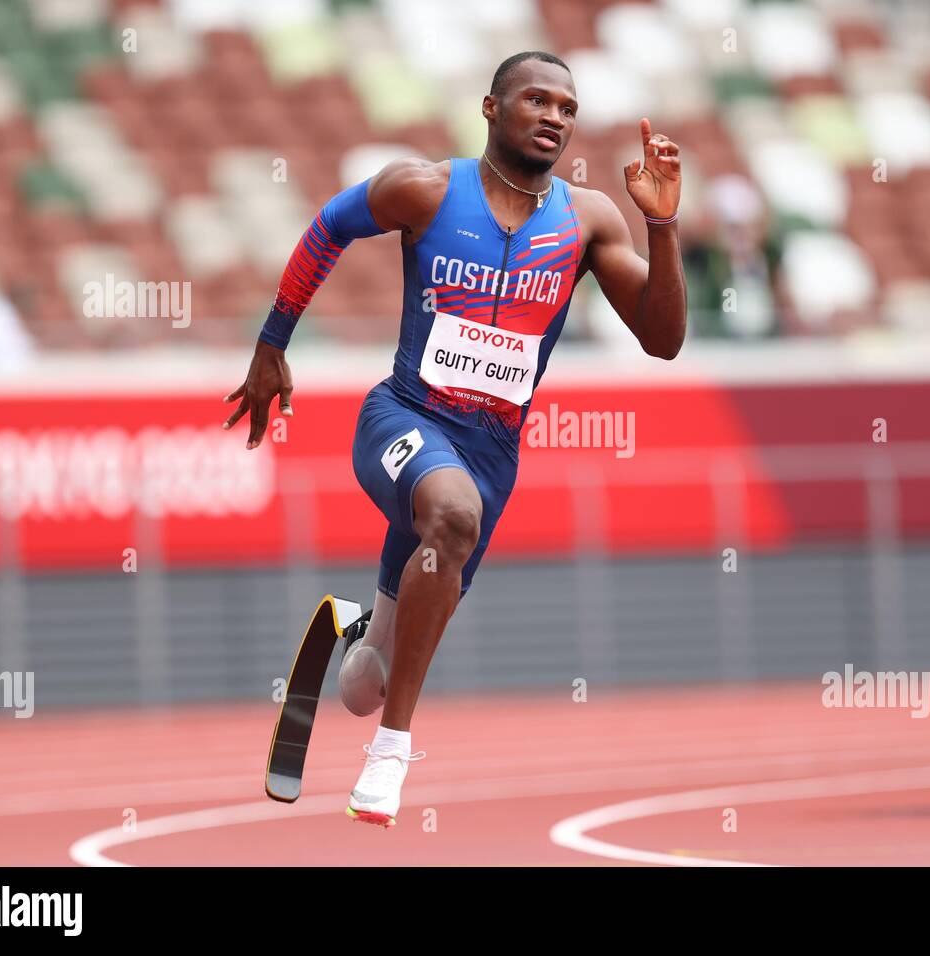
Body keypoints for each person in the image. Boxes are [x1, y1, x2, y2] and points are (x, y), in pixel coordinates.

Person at [223, 51, 686, 827]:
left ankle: (355, 631)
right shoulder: (427, 189)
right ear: (490, 108)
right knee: (452, 515)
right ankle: (395, 753)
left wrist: (663, 224)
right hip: (402, 419)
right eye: (536, 100)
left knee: (364, 685)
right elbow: (326, 229)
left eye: (568, 108)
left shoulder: (588, 217)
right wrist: (272, 344)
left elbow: (664, 340)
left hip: (491, 457)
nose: (554, 117)